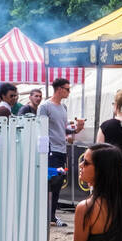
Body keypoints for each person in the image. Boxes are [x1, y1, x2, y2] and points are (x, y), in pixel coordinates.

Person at [40, 77, 74, 222]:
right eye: (67, 89)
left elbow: (62, 128)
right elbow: (40, 128)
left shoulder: (63, 107)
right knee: (51, 182)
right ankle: (46, 215)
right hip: (50, 150)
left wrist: (73, 131)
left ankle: (51, 214)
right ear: (59, 89)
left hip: (61, 149)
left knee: (58, 182)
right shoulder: (45, 106)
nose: (69, 92)